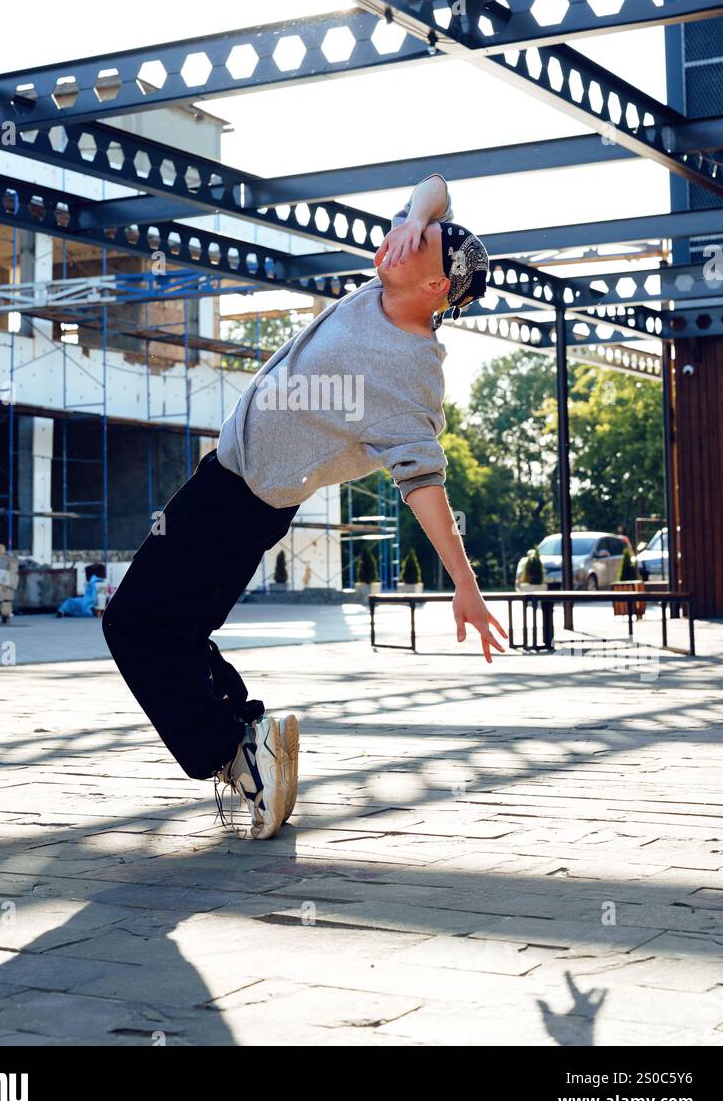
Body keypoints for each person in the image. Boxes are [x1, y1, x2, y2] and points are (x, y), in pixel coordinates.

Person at [102, 173, 507, 841]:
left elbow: (425, 485)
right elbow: (436, 185)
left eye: (417, 246)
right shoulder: (384, 286)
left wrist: (465, 585)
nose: (397, 242)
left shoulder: (410, 376)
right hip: (229, 483)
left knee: (131, 623)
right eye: (406, 231)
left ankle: (233, 749)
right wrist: (416, 215)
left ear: (437, 289)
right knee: (171, 631)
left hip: (239, 501)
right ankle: (247, 736)